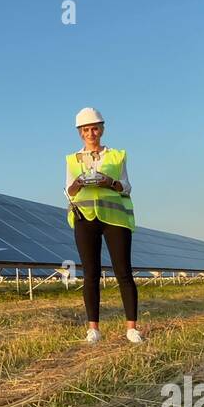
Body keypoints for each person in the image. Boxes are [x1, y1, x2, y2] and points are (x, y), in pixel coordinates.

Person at [64, 107, 141, 344]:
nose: (91, 133)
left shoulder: (117, 156)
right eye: (86, 129)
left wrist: (110, 182)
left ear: (102, 129)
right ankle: (93, 329)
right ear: (80, 133)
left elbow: (126, 187)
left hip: (114, 219)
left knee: (123, 272)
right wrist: (77, 183)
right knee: (90, 274)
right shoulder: (72, 159)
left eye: (94, 128)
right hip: (84, 219)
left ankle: (131, 328)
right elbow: (69, 191)